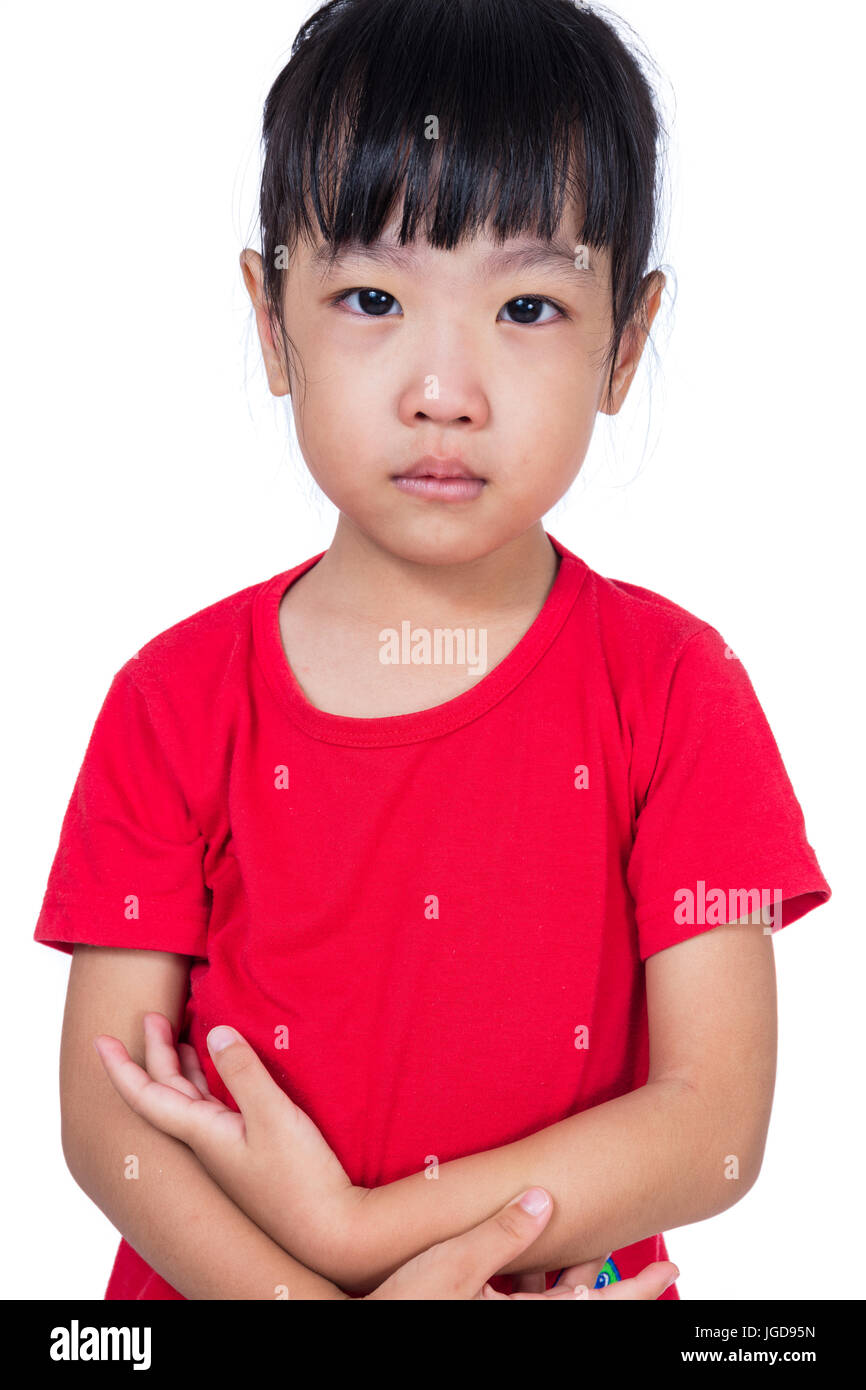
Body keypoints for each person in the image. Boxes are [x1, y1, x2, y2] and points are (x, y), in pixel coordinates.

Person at [36, 0, 831, 1301]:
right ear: (267, 315)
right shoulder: (169, 697)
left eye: (525, 304)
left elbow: (717, 1117)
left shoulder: (683, 687)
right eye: (368, 296)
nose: (442, 387)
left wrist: (357, 1231)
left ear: (624, 343)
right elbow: (108, 1109)